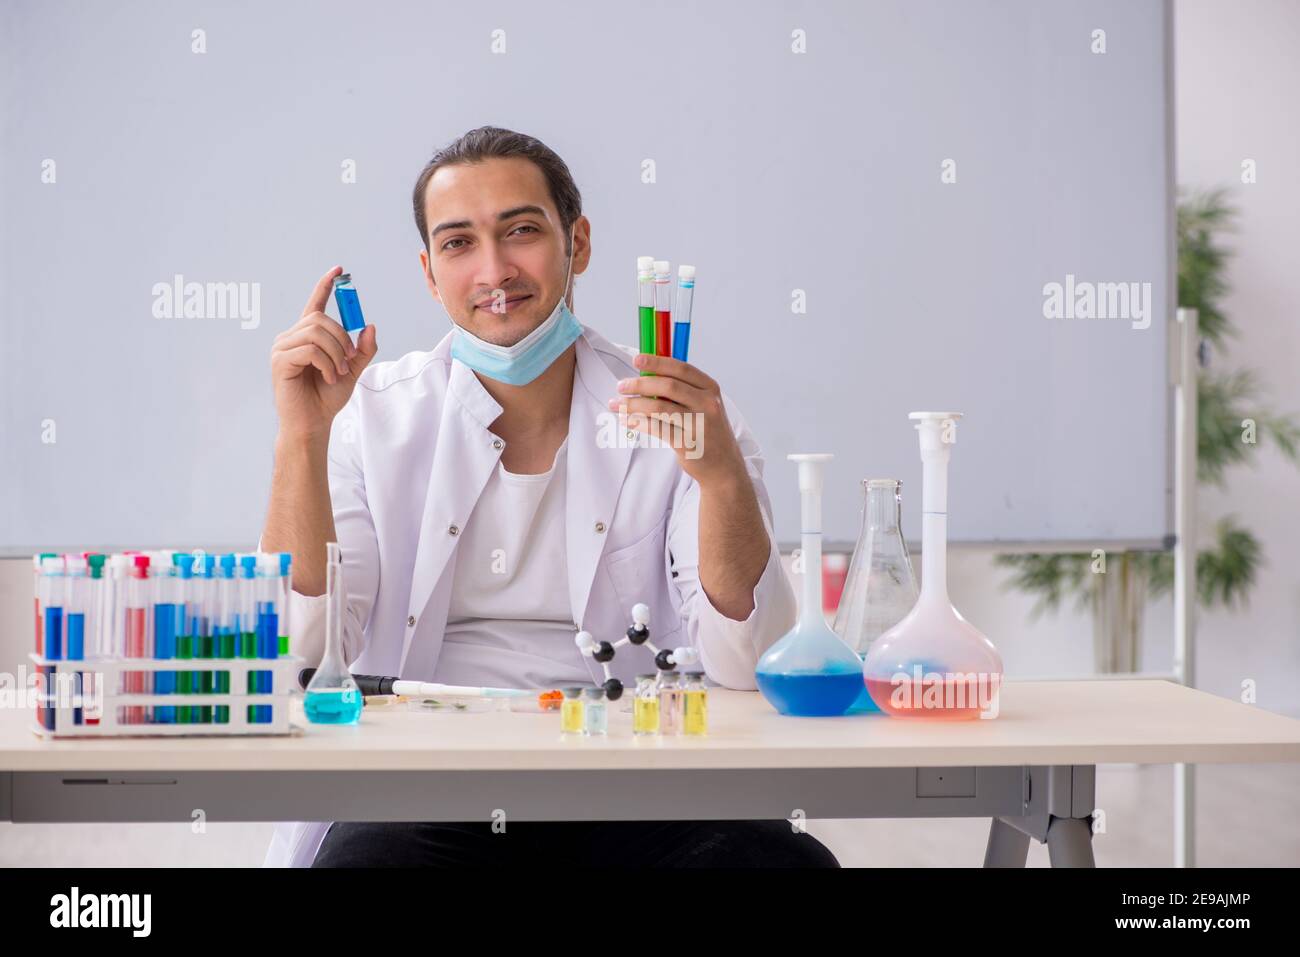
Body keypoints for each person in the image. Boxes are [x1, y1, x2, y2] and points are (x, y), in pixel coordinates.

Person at [260, 126, 836, 868]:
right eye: (460, 243)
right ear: (430, 274)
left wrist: (720, 477)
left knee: (775, 865)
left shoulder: (675, 410)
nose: (495, 269)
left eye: (522, 230)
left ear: (579, 243)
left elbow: (745, 658)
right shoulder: (372, 417)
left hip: (638, 778)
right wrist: (300, 439)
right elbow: (300, 653)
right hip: (428, 784)